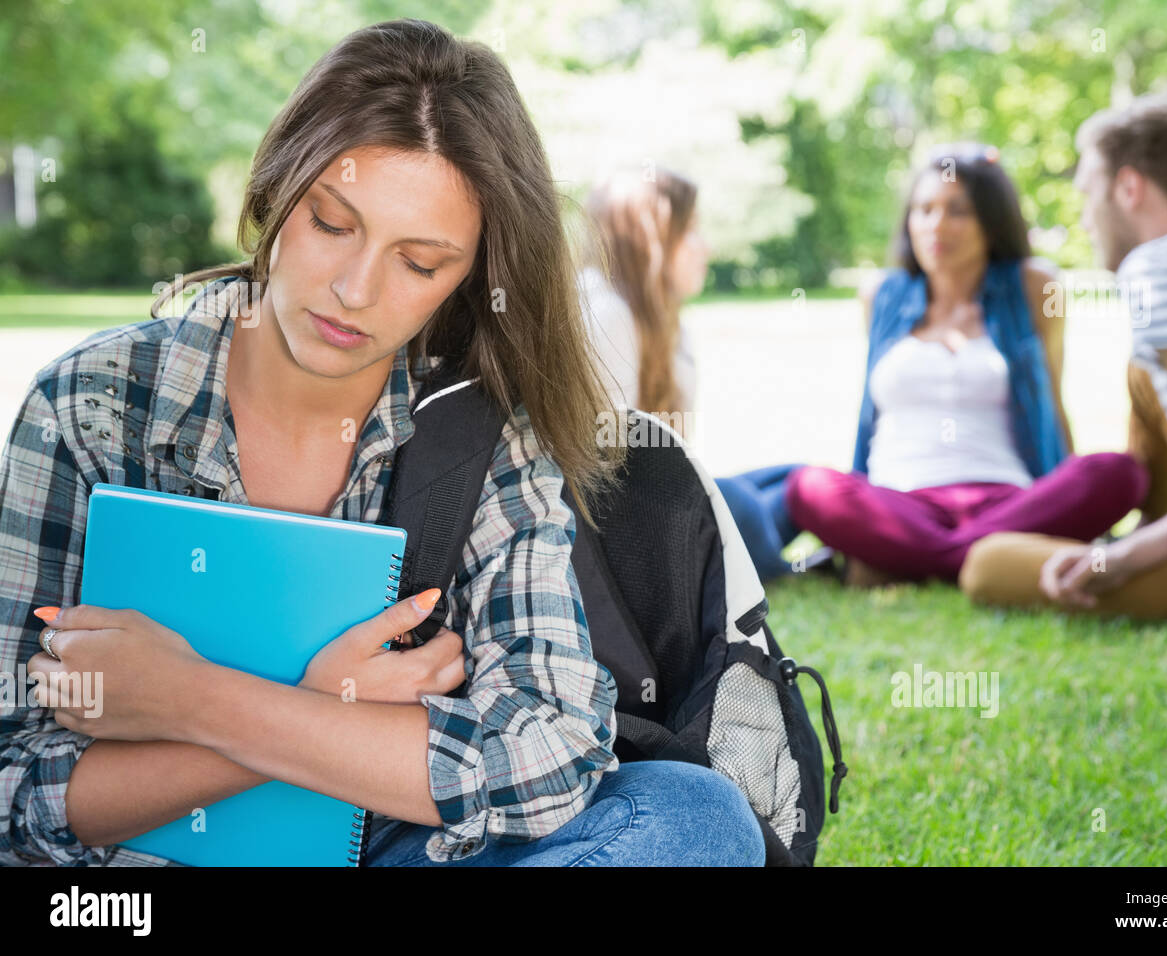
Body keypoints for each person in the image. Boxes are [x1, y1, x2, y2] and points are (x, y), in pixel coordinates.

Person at [0, 18, 765, 867]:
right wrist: (333, 703)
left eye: (420, 263)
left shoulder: (482, 428)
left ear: (468, 278)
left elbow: (551, 756)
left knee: (694, 816)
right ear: (275, 188)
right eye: (332, 223)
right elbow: (11, 796)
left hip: (397, 845)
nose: (355, 290)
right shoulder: (92, 404)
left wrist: (195, 700)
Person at [960, 93, 1167, 670]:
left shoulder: (1157, 271)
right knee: (1095, 559)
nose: (1084, 216)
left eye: (1087, 192)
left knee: (991, 564)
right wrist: (1124, 558)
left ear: (1129, 187)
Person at [782, 144, 1149, 585]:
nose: (936, 225)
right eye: (924, 210)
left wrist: (1068, 485)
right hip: (898, 504)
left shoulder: (1036, 286)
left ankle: (914, 561)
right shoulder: (880, 294)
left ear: (992, 222)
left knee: (1119, 473)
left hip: (1007, 500)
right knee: (808, 485)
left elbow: (1053, 398)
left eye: (958, 211)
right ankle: (985, 558)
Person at [579, 169, 811, 581]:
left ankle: (761, 539)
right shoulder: (605, 312)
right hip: (630, 525)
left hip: (664, 502)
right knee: (740, 502)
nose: (705, 247)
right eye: (691, 231)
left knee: (799, 478)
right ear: (649, 239)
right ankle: (778, 563)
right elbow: (608, 471)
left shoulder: (663, 318)